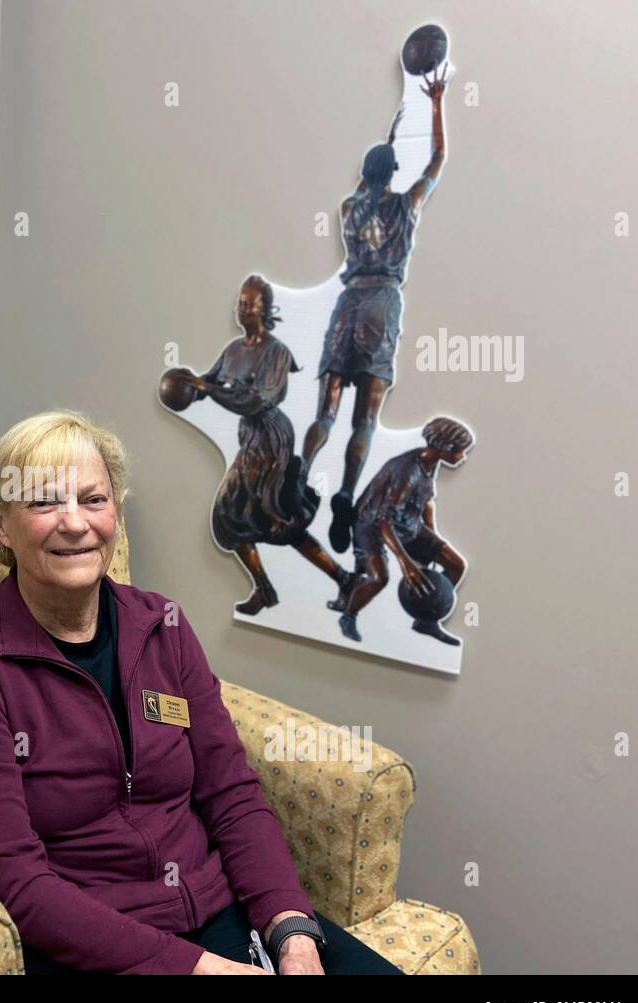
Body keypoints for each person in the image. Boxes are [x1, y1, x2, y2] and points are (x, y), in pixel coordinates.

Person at [0, 411, 402, 975]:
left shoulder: (161, 625)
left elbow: (232, 795)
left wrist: (291, 932)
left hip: (219, 910)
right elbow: (14, 881)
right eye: (44, 503)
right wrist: (201, 970)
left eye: (93, 499)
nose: (75, 523)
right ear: (2, 526)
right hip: (92, 943)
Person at [298, 63, 450, 555]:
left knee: (327, 408)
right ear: (392, 173)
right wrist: (437, 102)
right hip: (383, 303)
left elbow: (370, 182)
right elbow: (437, 160)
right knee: (365, 420)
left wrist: (387, 137)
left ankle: (300, 475)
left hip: (349, 301)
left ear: (363, 174)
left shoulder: (349, 208)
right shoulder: (406, 206)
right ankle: (344, 492)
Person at [179, 275, 353, 616]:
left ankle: (342, 579)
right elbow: (209, 382)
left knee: (277, 522)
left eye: (249, 304)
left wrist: (211, 390)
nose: (242, 309)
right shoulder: (233, 351)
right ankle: (267, 588)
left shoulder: (276, 352)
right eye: (240, 303)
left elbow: (258, 399)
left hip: (271, 439)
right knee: (230, 518)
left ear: (265, 309)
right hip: (250, 438)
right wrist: (188, 384)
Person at [336, 416, 472, 643]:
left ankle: (426, 621)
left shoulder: (429, 462)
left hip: (404, 521)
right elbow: (383, 521)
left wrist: (432, 539)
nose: (462, 456)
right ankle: (348, 616)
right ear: (445, 447)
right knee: (379, 577)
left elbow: (427, 502)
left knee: (456, 565)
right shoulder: (407, 472)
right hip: (371, 524)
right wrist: (407, 564)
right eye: (460, 451)